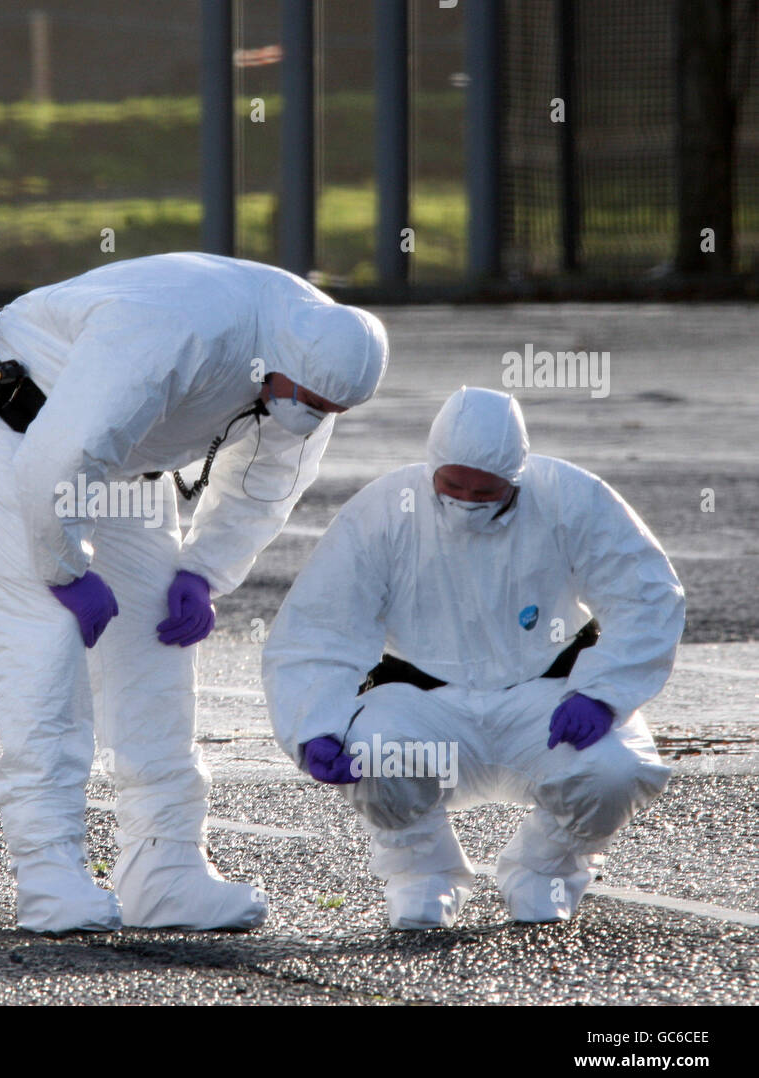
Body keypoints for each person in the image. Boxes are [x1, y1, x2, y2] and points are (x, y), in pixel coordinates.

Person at [0, 252, 389, 932]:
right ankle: (50, 872)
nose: (313, 417)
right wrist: (66, 571)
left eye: (331, 411)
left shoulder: (313, 356)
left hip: (122, 456)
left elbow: (268, 481)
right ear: (280, 361)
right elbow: (59, 458)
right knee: (46, 641)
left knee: (156, 644)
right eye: (312, 401)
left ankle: (165, 867)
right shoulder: (180, 331)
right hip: (17, 426)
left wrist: (202, 570)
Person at [263, 387, 684, 928]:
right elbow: (322, 625)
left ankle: (544, 872)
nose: (465, 500)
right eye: (452, 483)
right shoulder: (385, 509)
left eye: (485, 491)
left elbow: (647, 595)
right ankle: (423, 876)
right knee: (374, 752)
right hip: (422, 701)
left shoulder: (571, 497)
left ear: (518, 475)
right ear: (431, 464)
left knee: (615, 770)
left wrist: (603, 693)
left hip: (548, 698)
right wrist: (313, 722)